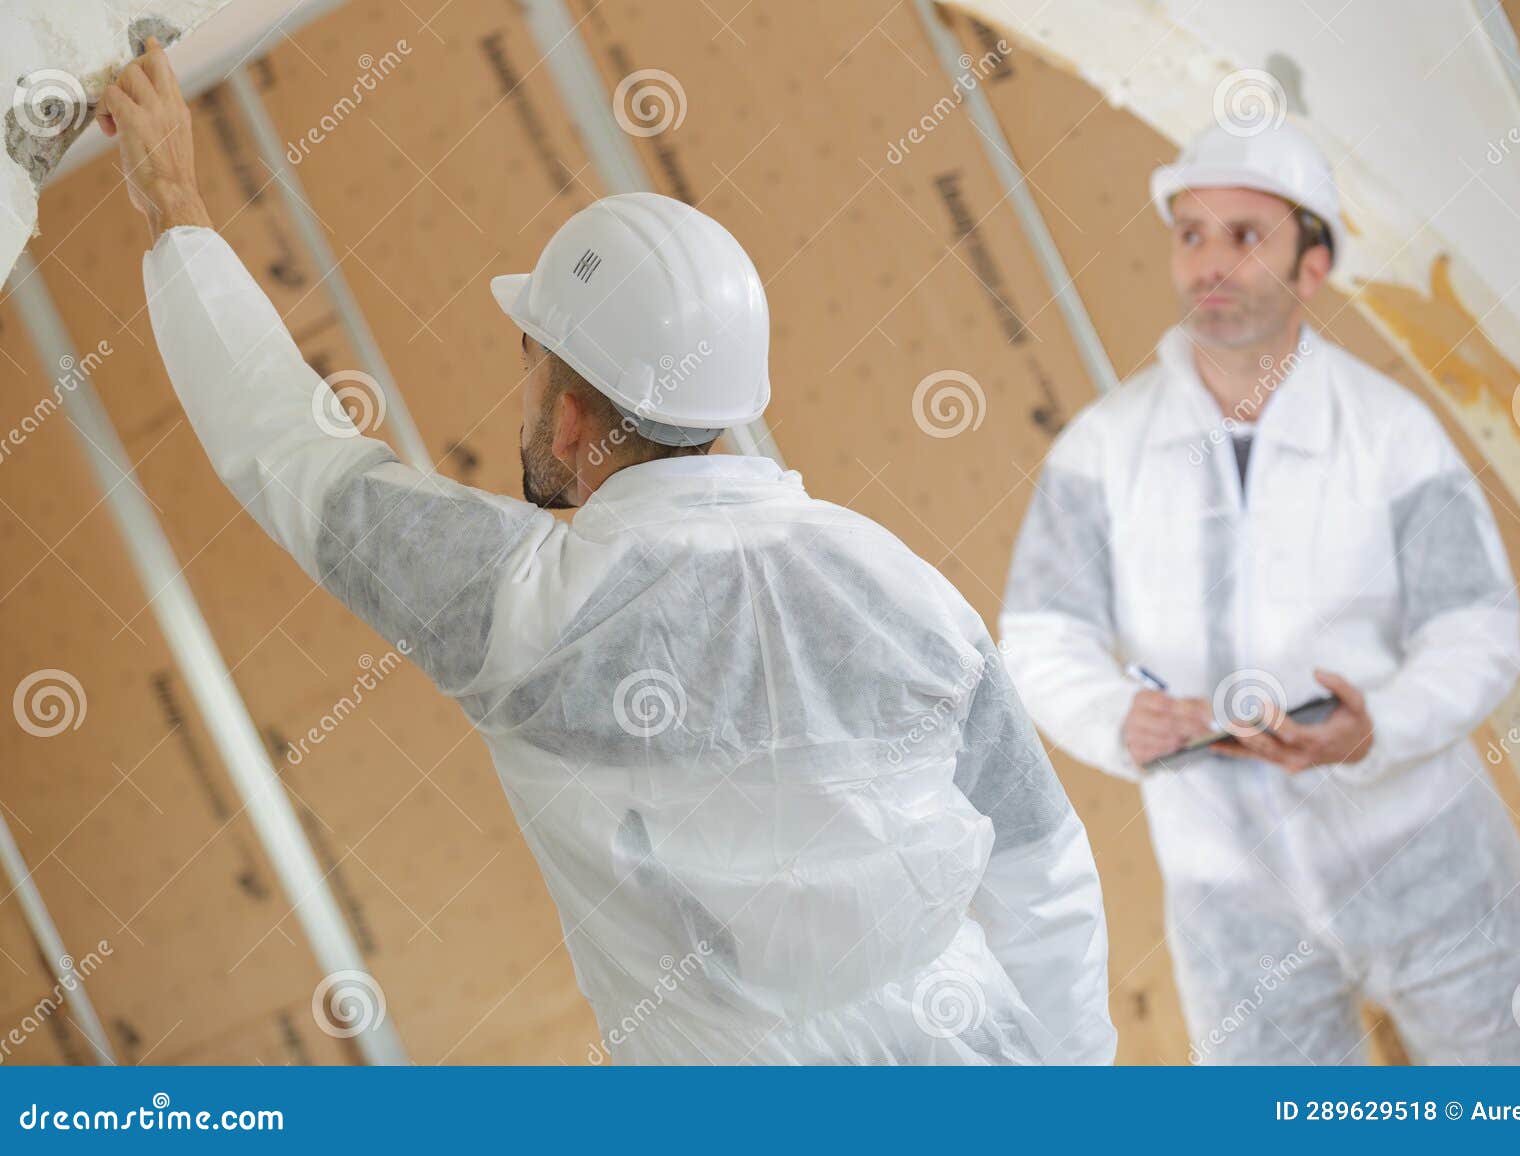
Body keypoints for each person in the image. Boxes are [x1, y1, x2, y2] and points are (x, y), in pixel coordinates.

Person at [102, 39, 1115, 1065]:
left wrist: (174, 202)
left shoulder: (528, 615)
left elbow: (288, 452)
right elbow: (1043, 867)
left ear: (575, 422)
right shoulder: (908, 590)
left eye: (531, 366)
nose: (526, 397)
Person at [1001, 119, 1520, 1064]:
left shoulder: (1390, 432)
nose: (1210, 264)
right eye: (1191, 234)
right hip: (1226, 882)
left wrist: (1381, 725)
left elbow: (1476, 622)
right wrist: (1118, 719)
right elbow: (1039, 631)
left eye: (1246, 237)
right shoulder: (1102, 450)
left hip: (1420, 854)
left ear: (1313, 264)